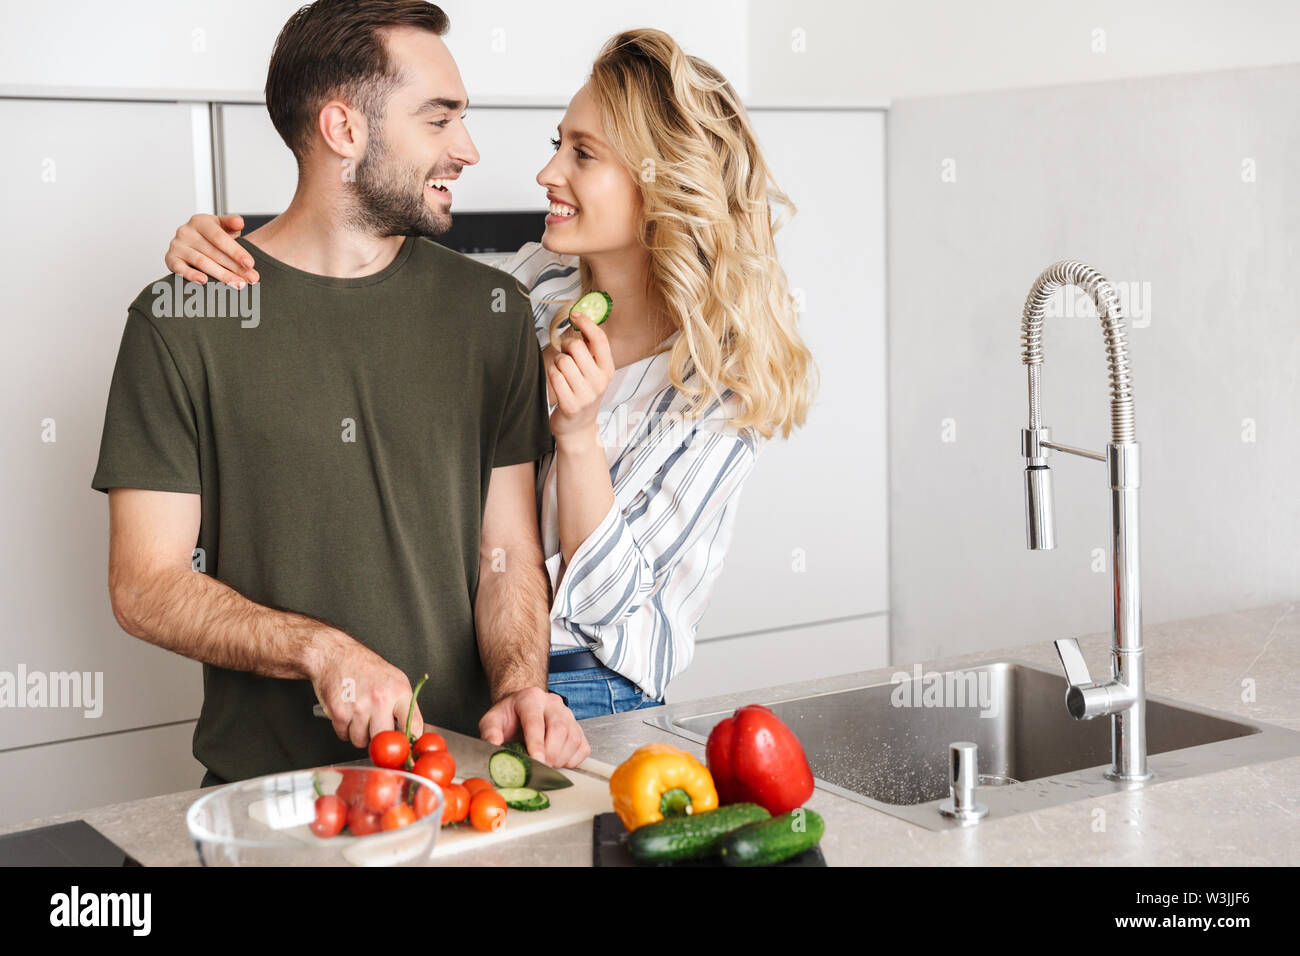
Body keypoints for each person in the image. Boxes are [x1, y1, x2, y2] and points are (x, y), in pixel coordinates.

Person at [161, 27, 817, 719]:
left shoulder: (721, 379)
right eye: (557, 143)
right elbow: (375, 265)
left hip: (590, 687)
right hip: (485, 659)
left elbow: (601, 601)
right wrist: (232, 248)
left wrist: (579, 435)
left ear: (663, 184)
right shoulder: (536, 284)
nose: (548, 173)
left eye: (582, 154)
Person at [92, 0, 589, 786]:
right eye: (439, 119)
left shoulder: (490, 314)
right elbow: (145, 584)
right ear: (344, 131)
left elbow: (508, 558)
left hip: (457, 789)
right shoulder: (185, 316)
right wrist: (318, 650)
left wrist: (521, 687)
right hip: (270, 803)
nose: (468, 149)